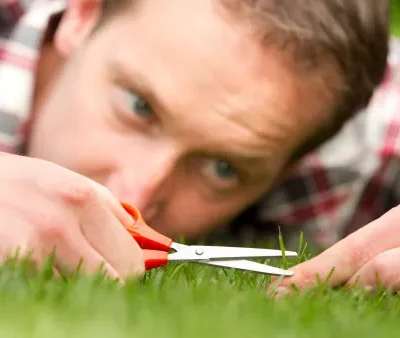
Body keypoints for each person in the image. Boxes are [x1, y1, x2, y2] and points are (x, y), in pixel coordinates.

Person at [0, 0, 398, 292]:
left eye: (222, 169)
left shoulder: (358, 141)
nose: (133, 196)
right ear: (83, 14)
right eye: (139, 107)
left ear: (294, 165)